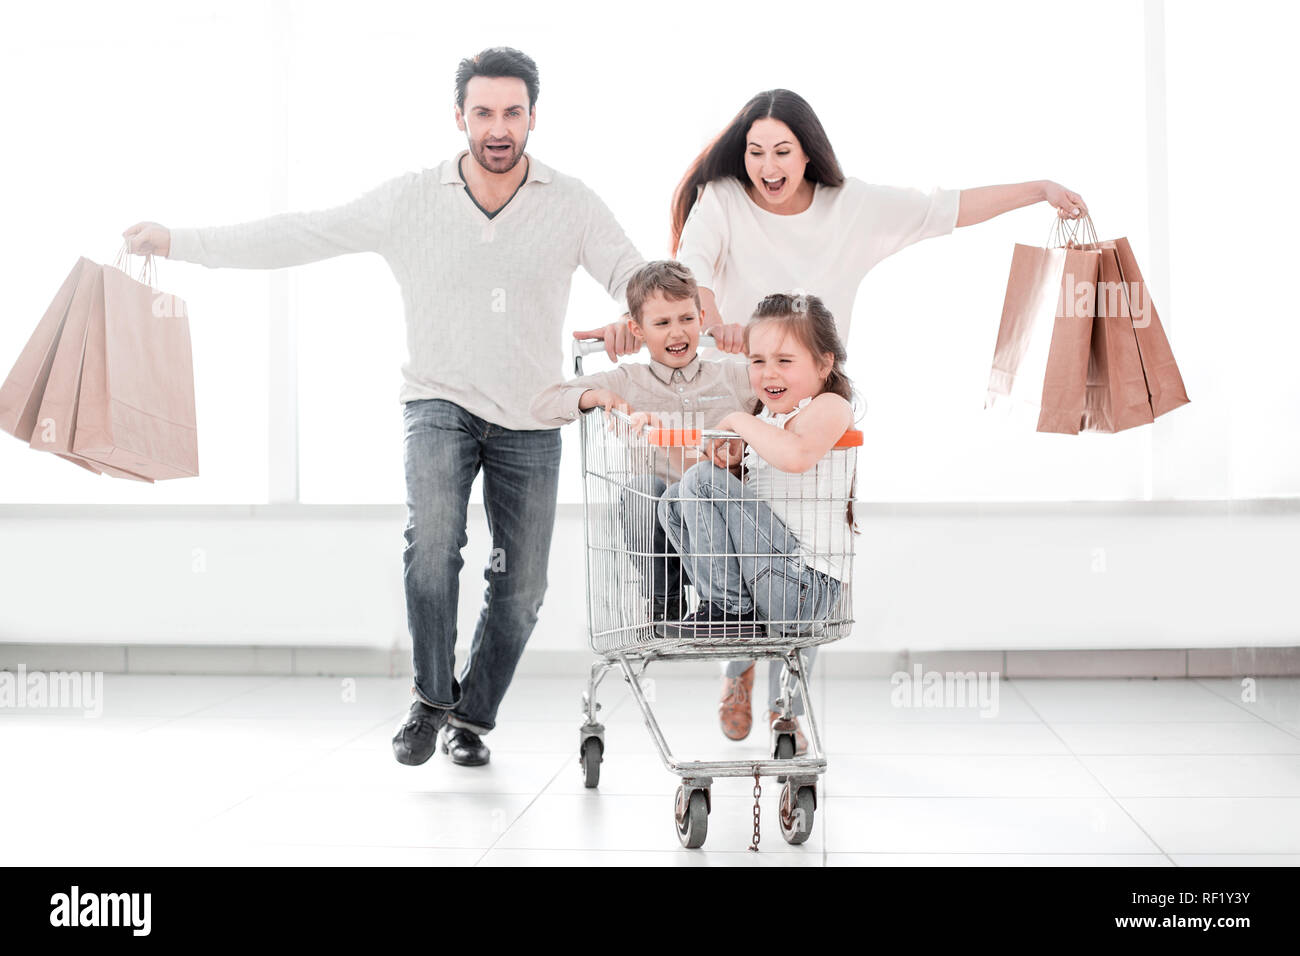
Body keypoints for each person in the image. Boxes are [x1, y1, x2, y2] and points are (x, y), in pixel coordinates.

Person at [122, 47, 644, 768]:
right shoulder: (411, 198)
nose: (498, 127)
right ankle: (431, 701)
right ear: (458, 116)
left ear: (533, 119)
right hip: (438, 400)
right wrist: (182, 242)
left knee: (521, 589)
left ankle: (472, 719)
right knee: (432, 543)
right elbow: (302, 233)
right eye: (483, 112)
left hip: (533, 411)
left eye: (512, 113)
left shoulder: (572, 201)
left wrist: (650, 317)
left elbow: (639, 279)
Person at [577, 88, 1090, 742]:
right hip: (738, 399)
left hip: (814, 407)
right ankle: (737, 669)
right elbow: (693, 269)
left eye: (782, 151)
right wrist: (714, 322)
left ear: (808, 152)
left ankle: (787, 697)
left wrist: (1040, 188)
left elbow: (948, 209)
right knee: (727, 523)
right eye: (755, 150)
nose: (767, 164)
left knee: (806, 531)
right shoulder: (725, 200)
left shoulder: (853, 208)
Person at [659, 292, 855, 752]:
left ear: (824, 364)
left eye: (785, 360)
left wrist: (733, 422)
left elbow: (798, 454)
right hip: (766, 572)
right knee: (673, 499)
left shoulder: (829, 408)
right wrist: (729, 460)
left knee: (700, 482)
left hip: (804, 583)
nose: (768, 373)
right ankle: (729, 616)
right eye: (758, 360)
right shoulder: (764, 418)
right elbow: (743, 504)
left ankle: (736, 629)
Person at [530, 260, 752, 621]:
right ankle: (666, 602)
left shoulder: (731, 376)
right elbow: (541, 405)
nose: (677, 333)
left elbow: (789, 390)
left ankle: (723, 602)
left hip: (722, 537)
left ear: (701, 316)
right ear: (638, 329)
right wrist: (595, 398)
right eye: (662, 323)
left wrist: (754, 350)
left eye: (686, 319)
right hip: (661, 547)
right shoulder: (628, 381)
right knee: (644, 487)